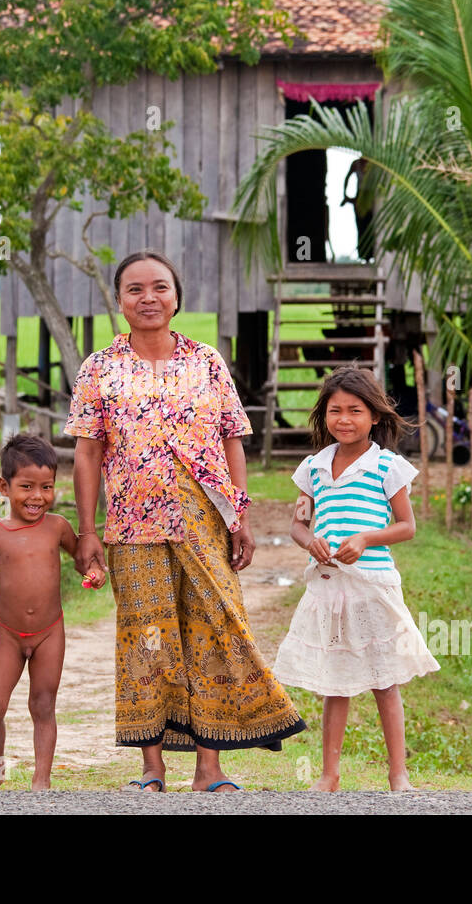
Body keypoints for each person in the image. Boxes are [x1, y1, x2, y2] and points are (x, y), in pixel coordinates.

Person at [67, 250, 306, 794]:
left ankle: (210, 769)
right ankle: (152, 768)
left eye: (159, 288)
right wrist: (88, 530)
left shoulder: (207, 362)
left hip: (205, 523)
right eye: (134, 290)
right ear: (119, 299)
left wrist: (239, 518)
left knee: (213, 631)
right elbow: (86, 453)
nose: (147, 299)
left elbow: (231, 439)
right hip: (132, 527)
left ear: (177, 296)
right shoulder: (99, 369)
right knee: (147, 639)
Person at [272, 366, 440, 791]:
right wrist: (308, 540)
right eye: (335, 411)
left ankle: (398, 774)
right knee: (336, 683)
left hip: (373, 587)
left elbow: (407, 526)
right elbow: (298, 525)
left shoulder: (387, 466)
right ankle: (329, 776)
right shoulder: (313, 467)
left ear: (375, 417)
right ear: (323, 416)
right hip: (329, 589)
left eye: (355, 411)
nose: (344, 420)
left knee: (386, 680)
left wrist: (365, 538)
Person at [0, 433, 106, 791]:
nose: (37, 497)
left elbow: (79, 559)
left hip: (49, 633)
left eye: (46, 487)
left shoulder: (57, 527)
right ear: (4, 487)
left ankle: (42, 778)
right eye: (26, 487)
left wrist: (93, 572)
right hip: (8, 634)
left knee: (43, 704)